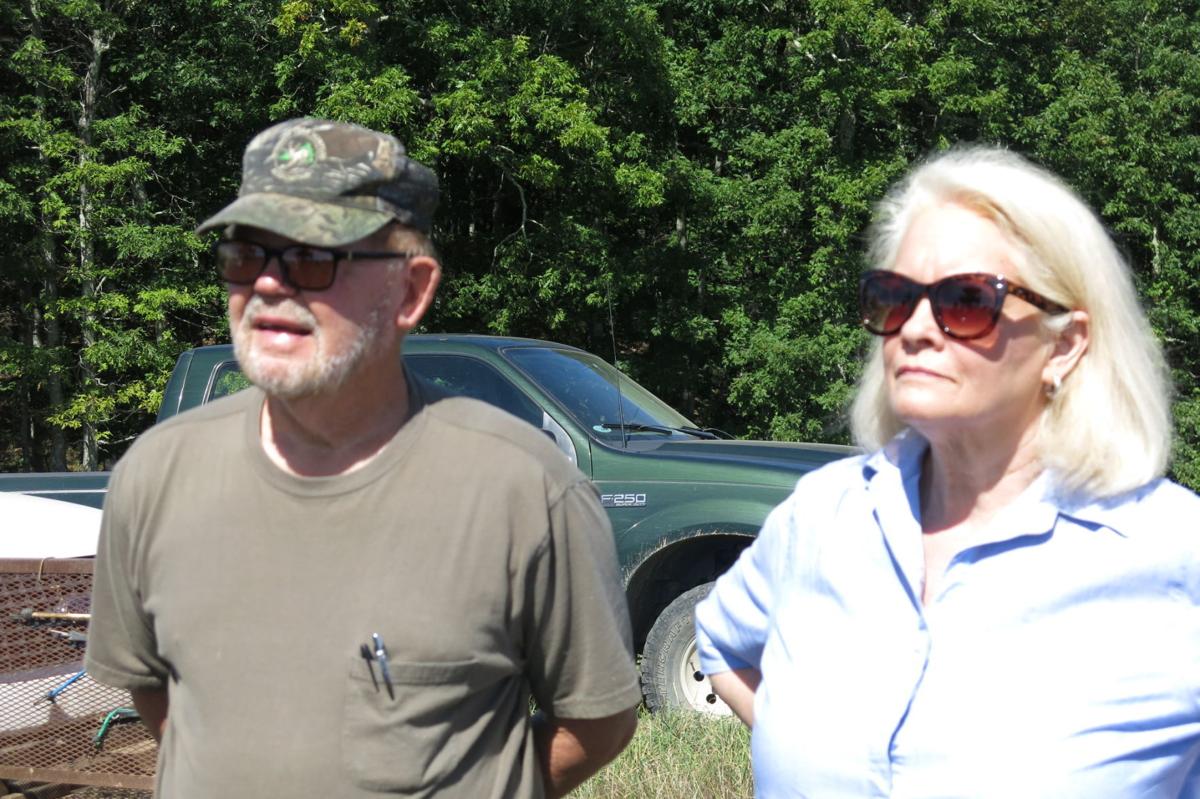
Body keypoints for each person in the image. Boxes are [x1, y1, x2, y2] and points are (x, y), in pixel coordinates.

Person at [85, 118, 640, 798]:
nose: (265, 286)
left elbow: (600, 720)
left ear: (409, 291)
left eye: (313, 257)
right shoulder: (154, 475)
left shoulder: (524, 489)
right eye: (244, 256)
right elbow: (156, 694)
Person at [695, 146, 1200, 797]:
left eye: (966, 300)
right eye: (895, 298)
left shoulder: (1173, 552)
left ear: (1065, 344)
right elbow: (722, 642)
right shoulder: (823, 514)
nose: (917, 329)